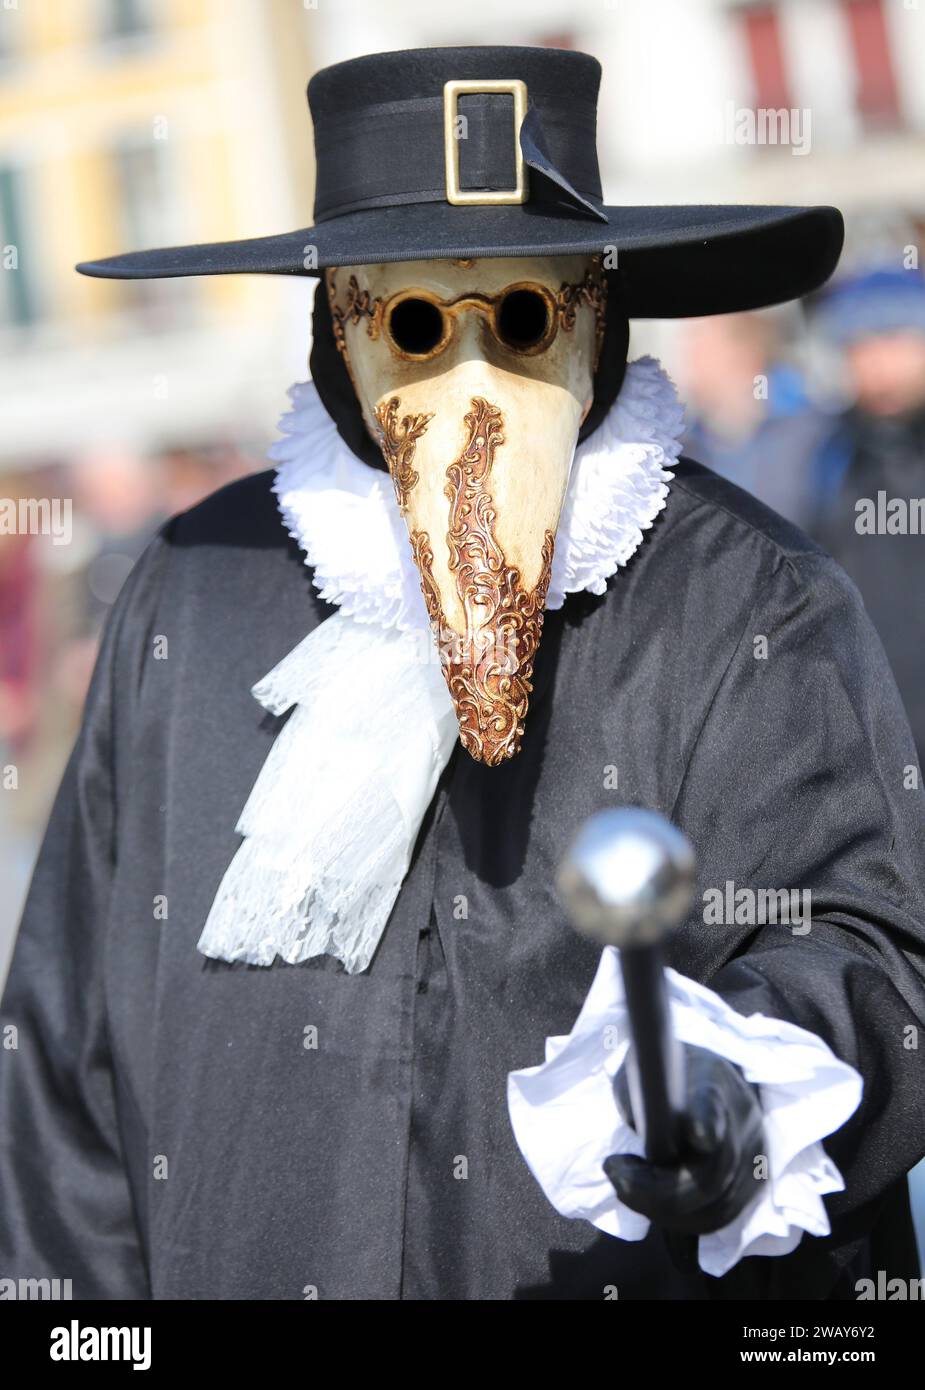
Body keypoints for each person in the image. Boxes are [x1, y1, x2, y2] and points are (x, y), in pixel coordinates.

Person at [1, 45, 923, 1301]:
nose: (474, 396)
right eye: (417, 323)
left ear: (596, 315)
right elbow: (65, 1059)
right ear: (339, 326)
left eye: (528, 317)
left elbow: (862, 944)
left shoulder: (747, 594)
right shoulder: (193, 587)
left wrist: (741, 1078)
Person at [808, 266, 925, 765]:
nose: (879, 364)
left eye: (895, 339)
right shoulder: (823, 457)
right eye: (862, 344)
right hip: (874, 739)